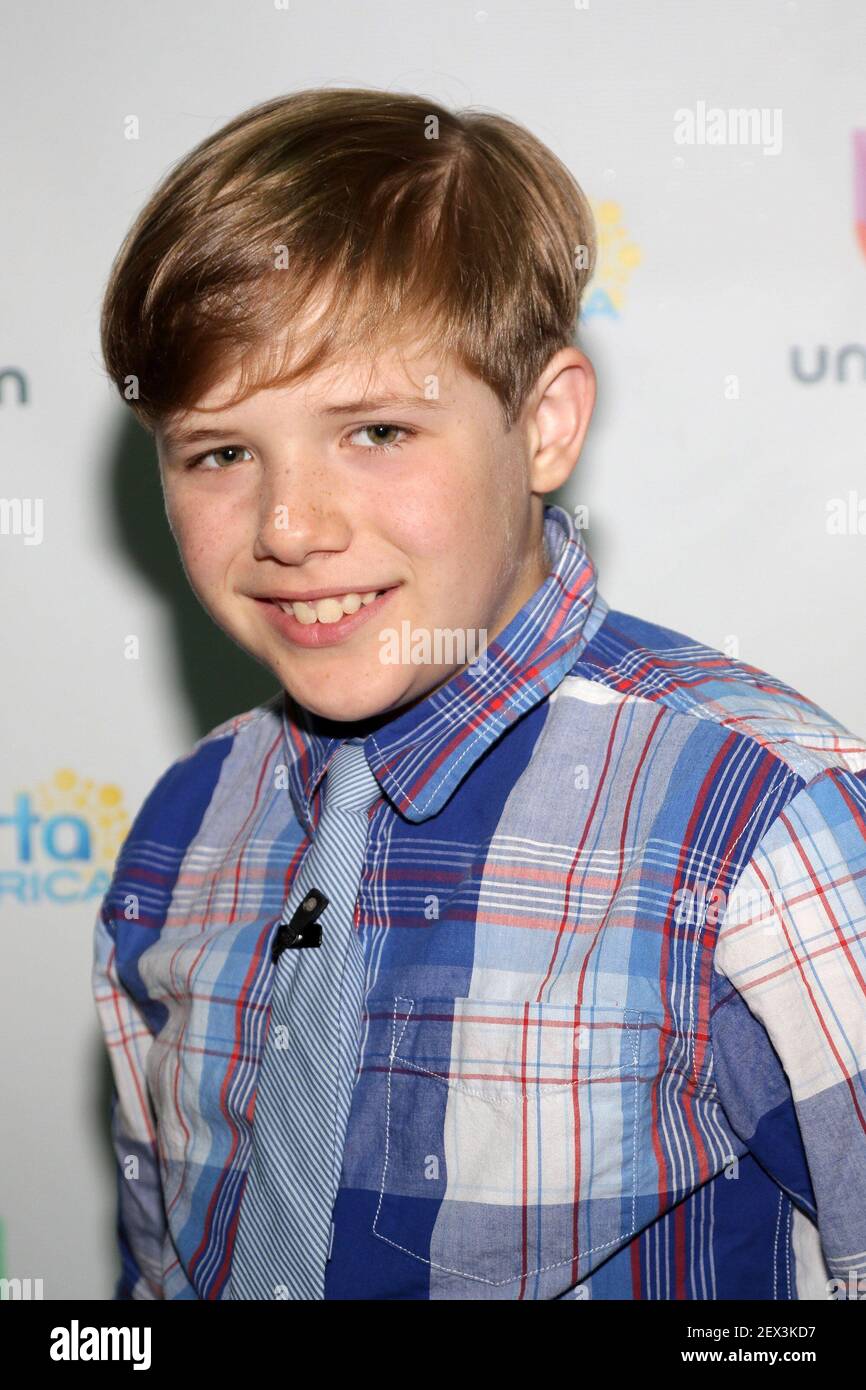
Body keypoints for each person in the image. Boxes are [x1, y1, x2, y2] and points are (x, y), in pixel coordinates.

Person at [93, 86, 866, 1301]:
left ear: (544, 425)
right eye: (221, 452)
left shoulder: (764, 818)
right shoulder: (187, 823)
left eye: (378, 431)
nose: (289, 526)